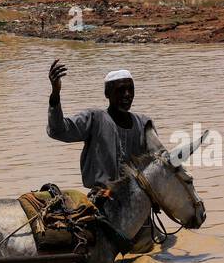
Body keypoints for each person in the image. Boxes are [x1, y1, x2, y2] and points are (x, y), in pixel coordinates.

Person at [46, 61, 166, 189]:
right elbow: (59, 130)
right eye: (121, 90)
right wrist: (55, 94)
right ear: (107, 94)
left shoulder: (144, 124)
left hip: (138, 198)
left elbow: (160, 162)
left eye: (130, 89)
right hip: (102, 198)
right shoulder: (94, 119)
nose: (127, 94)